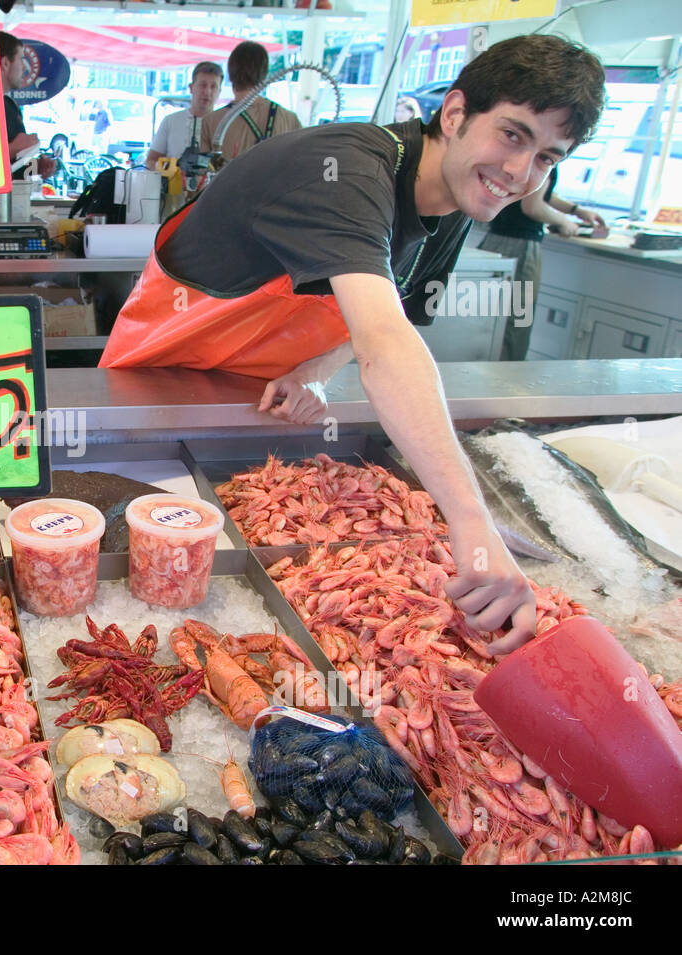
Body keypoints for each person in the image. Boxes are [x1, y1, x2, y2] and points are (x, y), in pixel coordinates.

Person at [101, 35, 607, 653]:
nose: (519, 173)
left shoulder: (450, 205)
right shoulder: (347, 171)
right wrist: (472, 524)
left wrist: (315, 370)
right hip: (158, 388)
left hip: (261, 410)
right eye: (512, 135)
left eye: (547, 158)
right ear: (454, 114)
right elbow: (385, 347)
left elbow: (400, 316)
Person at [477, 166, 606, 360]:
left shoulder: (528, 156)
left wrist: (575, 210)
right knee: (515, 324)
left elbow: (537, 192)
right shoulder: (546, 157)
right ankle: (507, 383)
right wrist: (564, 221)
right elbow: (532, 206)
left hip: (494, 241)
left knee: (483, 320)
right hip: (519, 248)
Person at [200, 41, 301, 161]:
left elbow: (202, 176)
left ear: (230, 74)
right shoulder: (290, 120)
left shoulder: (211, 122)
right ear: (264, 74)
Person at [146, 62, 223, 171]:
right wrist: (170, 170)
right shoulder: (170, 121)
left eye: (213, 86)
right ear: (191, 88)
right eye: (203, 85)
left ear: (219, 92)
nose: (207, 92)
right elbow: (150, 161)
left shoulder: (224, 127)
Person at [0, 31, 39, 161]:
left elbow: (15, 164)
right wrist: (11, 149)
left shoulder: (10, 105)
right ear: (5, 63)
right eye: (21, 59)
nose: (25, 68)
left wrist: (36, 167)